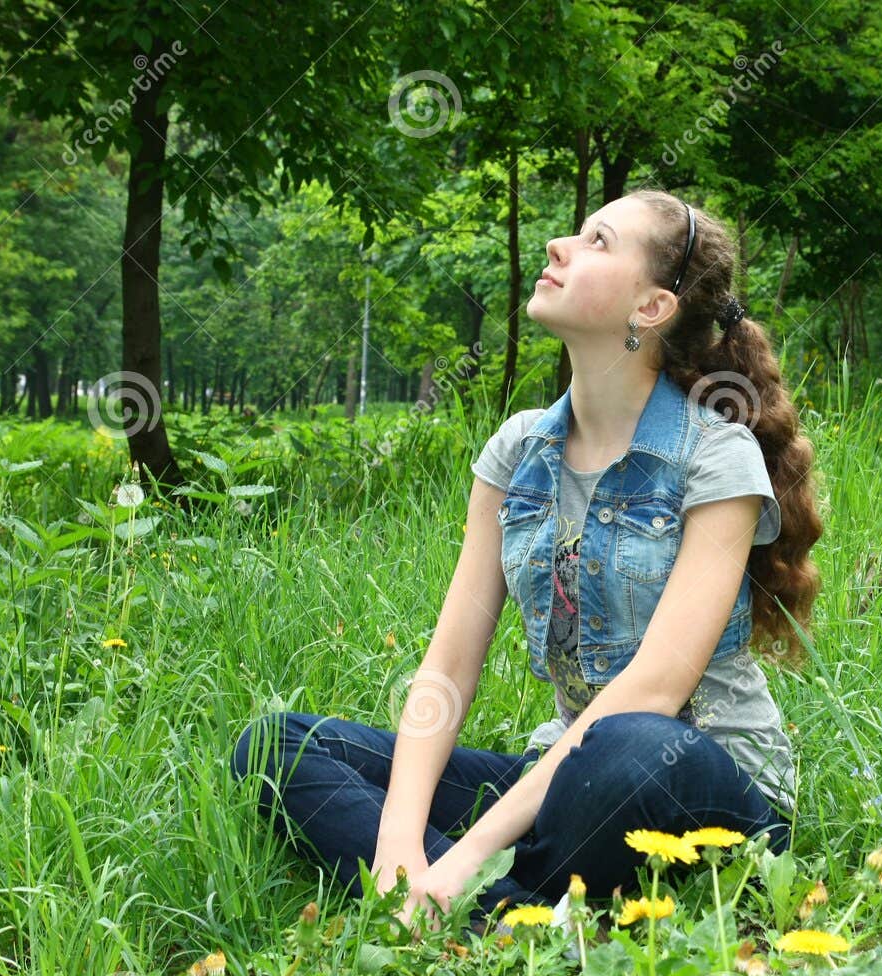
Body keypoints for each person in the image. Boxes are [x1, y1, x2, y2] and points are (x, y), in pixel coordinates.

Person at [230, 188, 823, 932]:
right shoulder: (517, 451)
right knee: (279, 747)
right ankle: (479, 914)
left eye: (598, 242)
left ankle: (485, 902)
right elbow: (449, 664)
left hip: (696, 782)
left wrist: (472, 848)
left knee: (629, 747)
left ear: (651, 307)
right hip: (563, 779)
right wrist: (399, 842)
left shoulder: (715, 454)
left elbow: (654, 689)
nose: (559, 248)